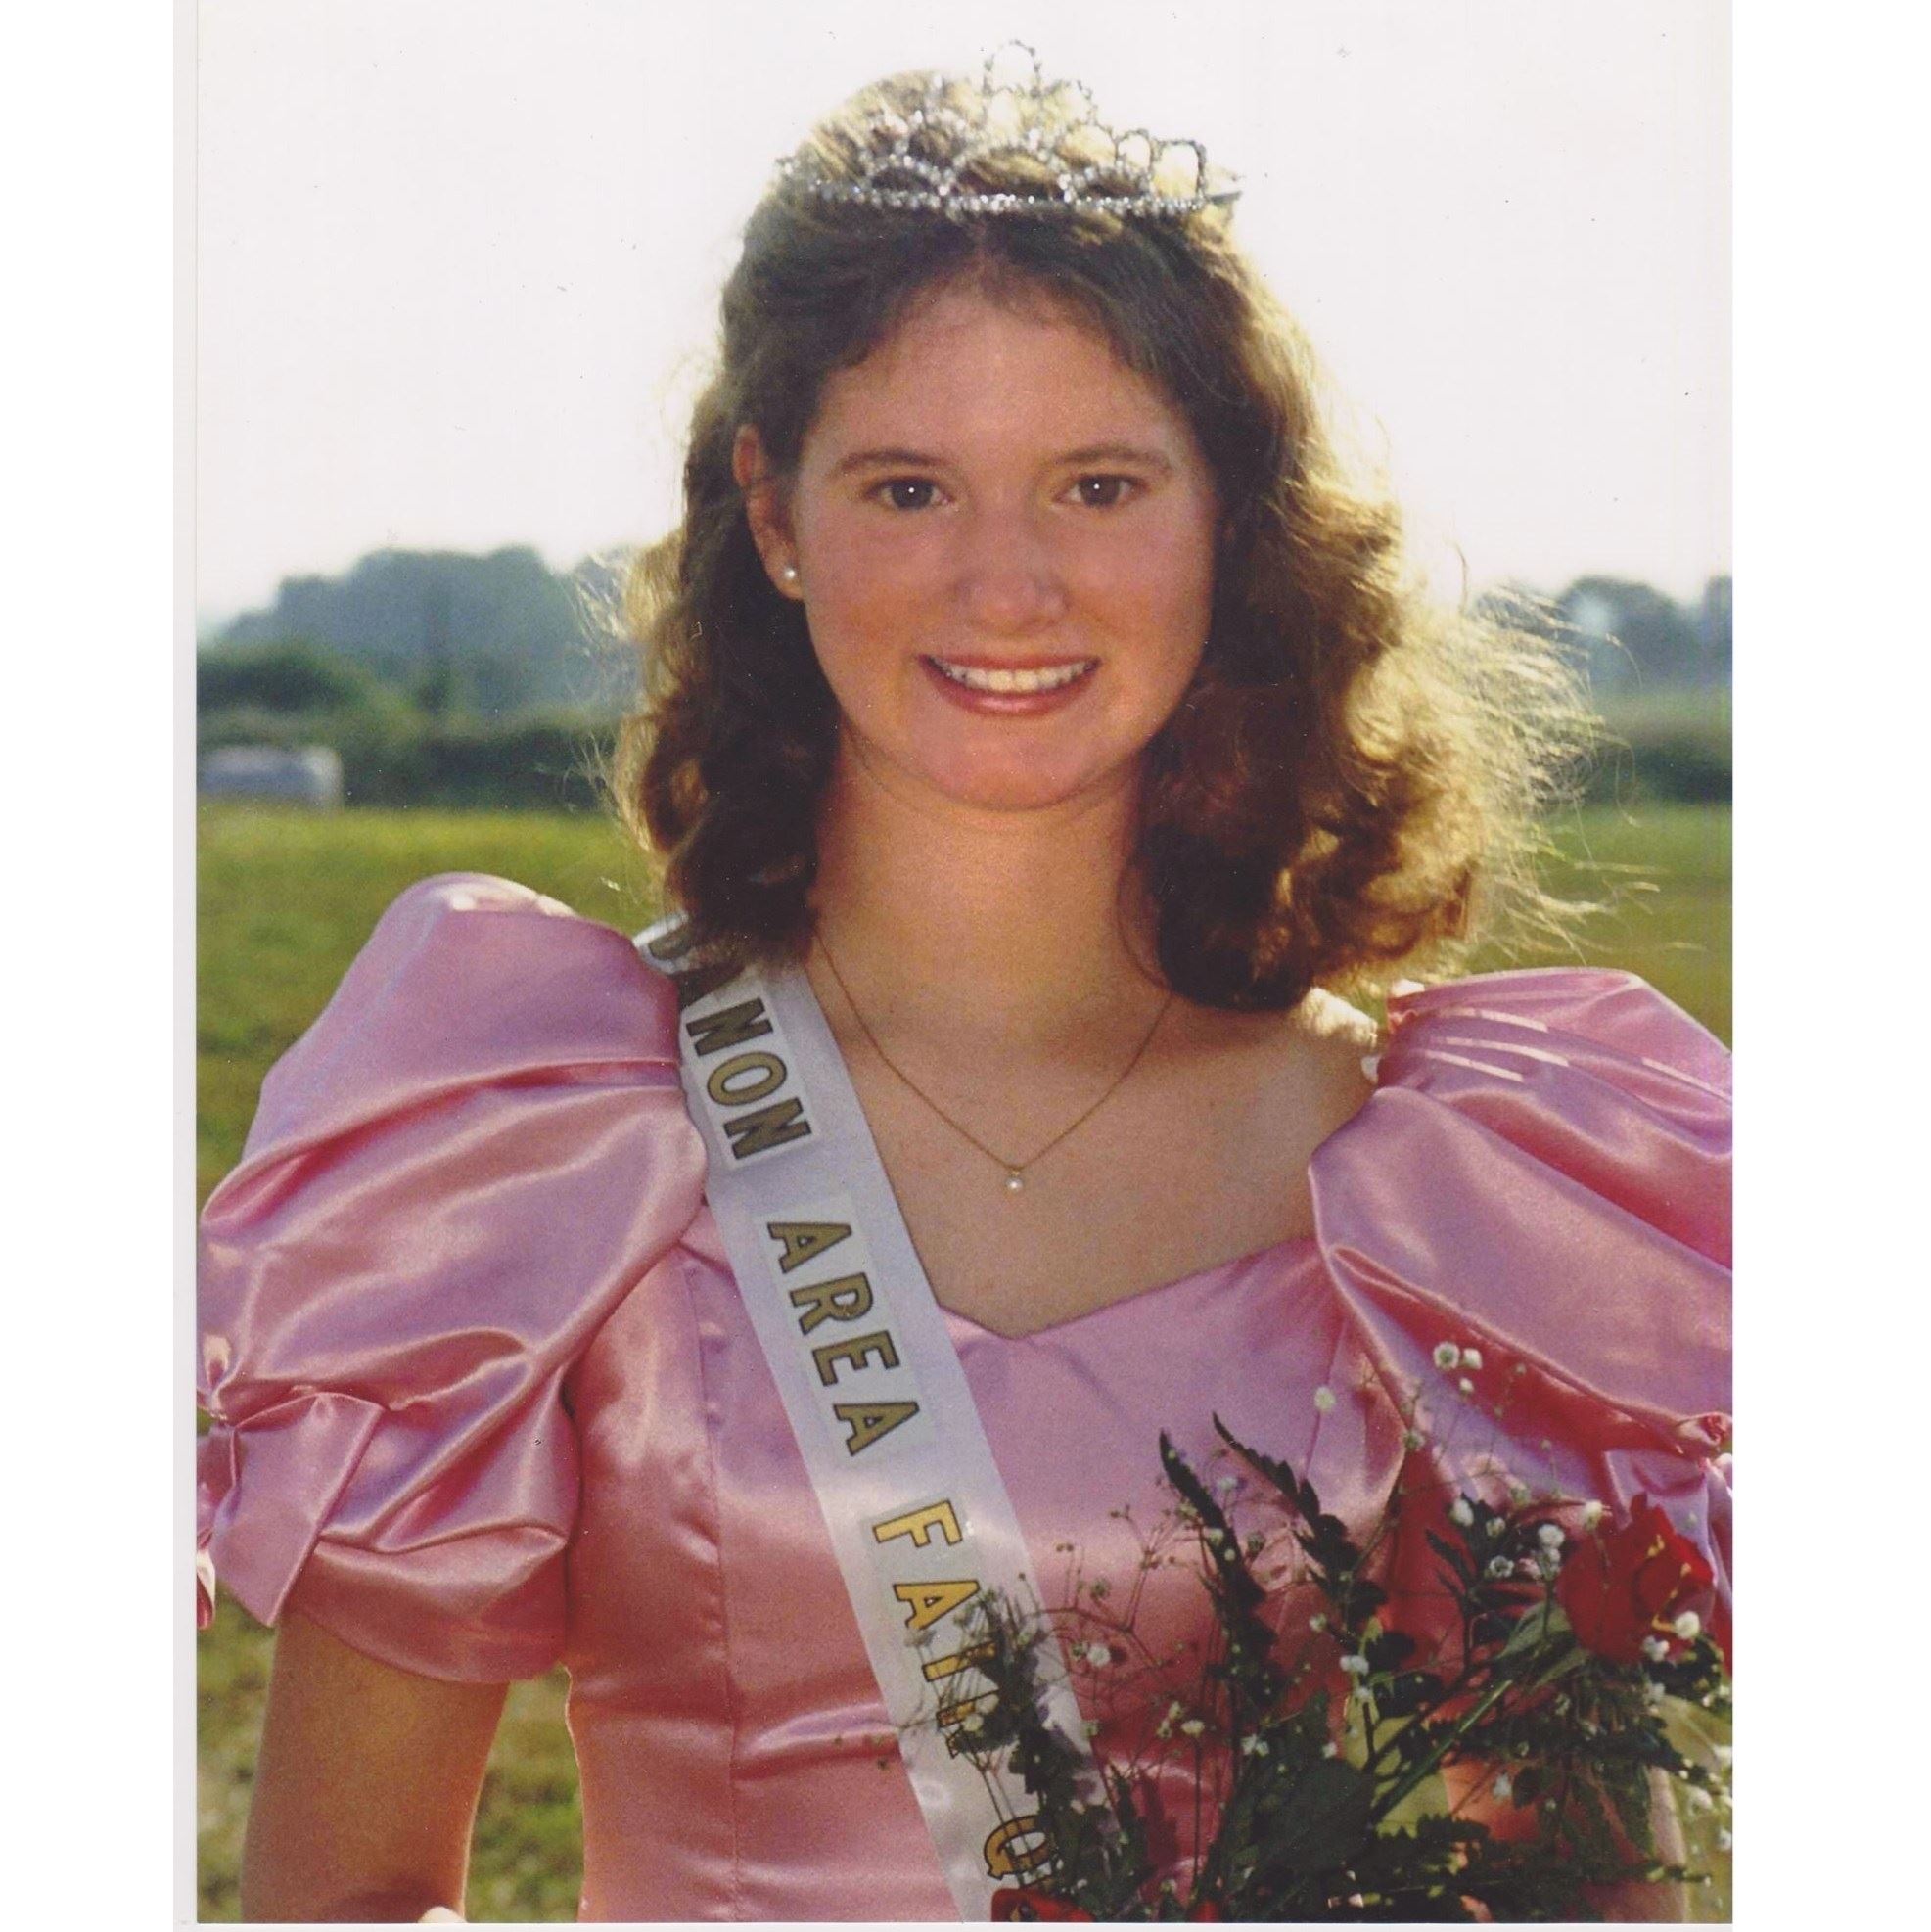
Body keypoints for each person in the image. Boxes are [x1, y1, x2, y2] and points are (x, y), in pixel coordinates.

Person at [197, 49, 1730, 1923]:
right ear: (773, 513)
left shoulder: (1476, 1189)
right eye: (909, 487)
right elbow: (335, 1896)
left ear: (1225, 517)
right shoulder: (535, 1132)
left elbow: (1589, 1902)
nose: (1006, 586)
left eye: (1096, 483)